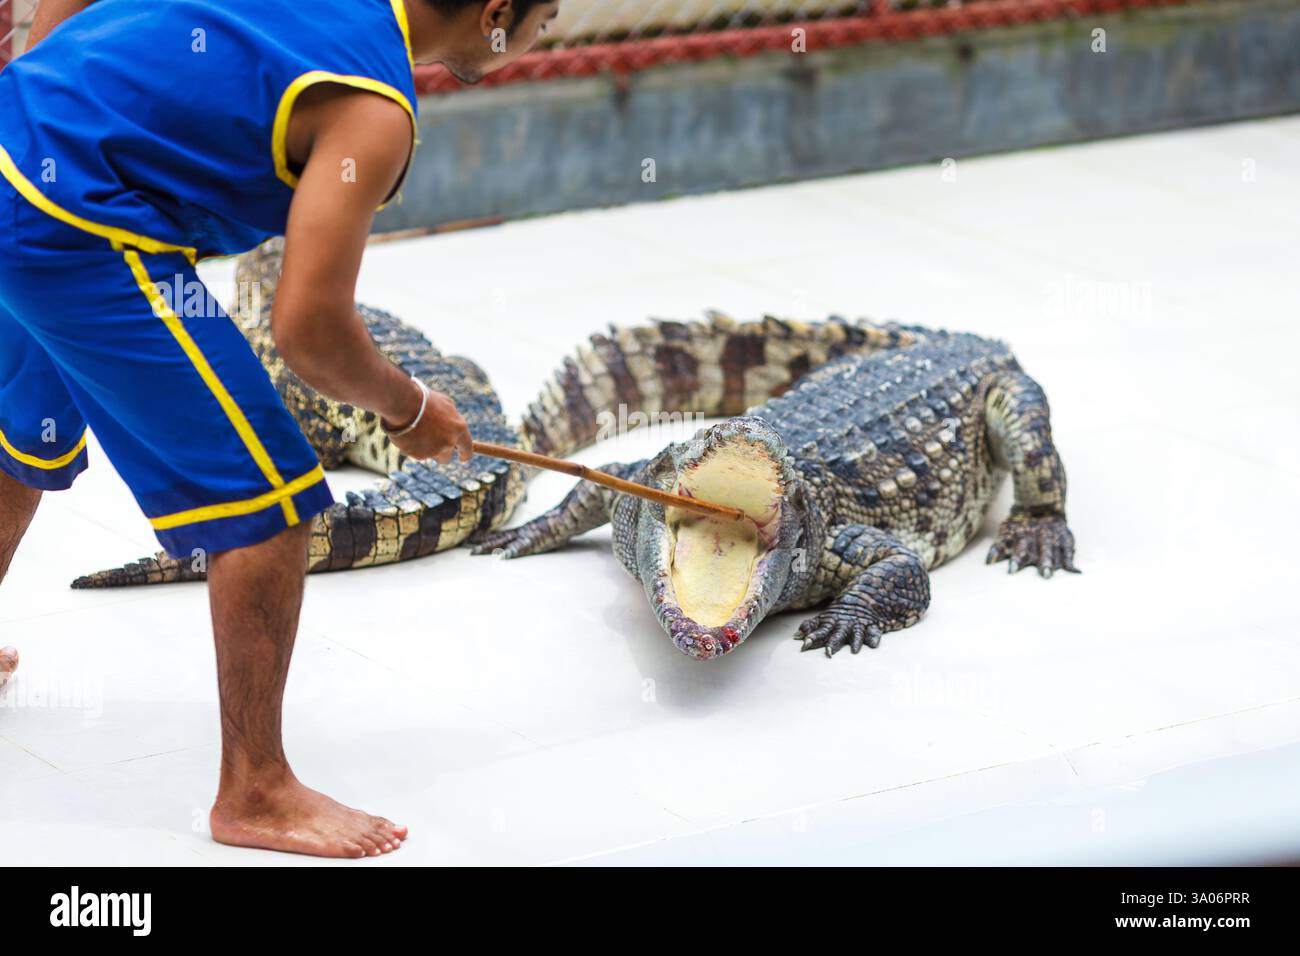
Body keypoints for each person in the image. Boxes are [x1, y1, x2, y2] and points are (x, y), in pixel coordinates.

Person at [0, 0, 560, 858]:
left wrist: (52, 80)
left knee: (22, 428)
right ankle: (255, 789)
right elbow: (309, 330)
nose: (547, 35)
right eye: (544, 17)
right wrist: (407, 406)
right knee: (272, 497)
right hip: (75, 225)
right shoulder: (376, 109)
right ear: (494, 15)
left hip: (15, 139)